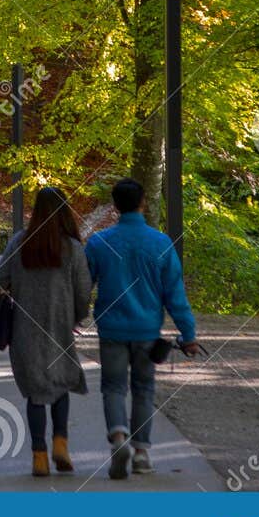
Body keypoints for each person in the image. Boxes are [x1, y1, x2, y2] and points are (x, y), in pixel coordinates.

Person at [85, 177, 200, 479]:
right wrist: (188, 335)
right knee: (143, 389)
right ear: (142, 203)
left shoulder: (99, 243)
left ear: (115, 205)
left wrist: (73, 316)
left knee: (112, 386)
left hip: (111, 329)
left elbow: (83, 285)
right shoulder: (161, 243)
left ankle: (118, 436)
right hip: (147, 330)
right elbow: (175, 295)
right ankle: (142, 453)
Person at [0, 186, 93, 477]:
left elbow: (0, 278)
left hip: (25, 329)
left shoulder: (20, 243)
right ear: (65, 211)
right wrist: (77, 314)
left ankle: (39, 455)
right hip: (59, 326)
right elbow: (84, 289)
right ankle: (60, 443)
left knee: (36, 391)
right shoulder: (73, 248)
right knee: (60, 383)